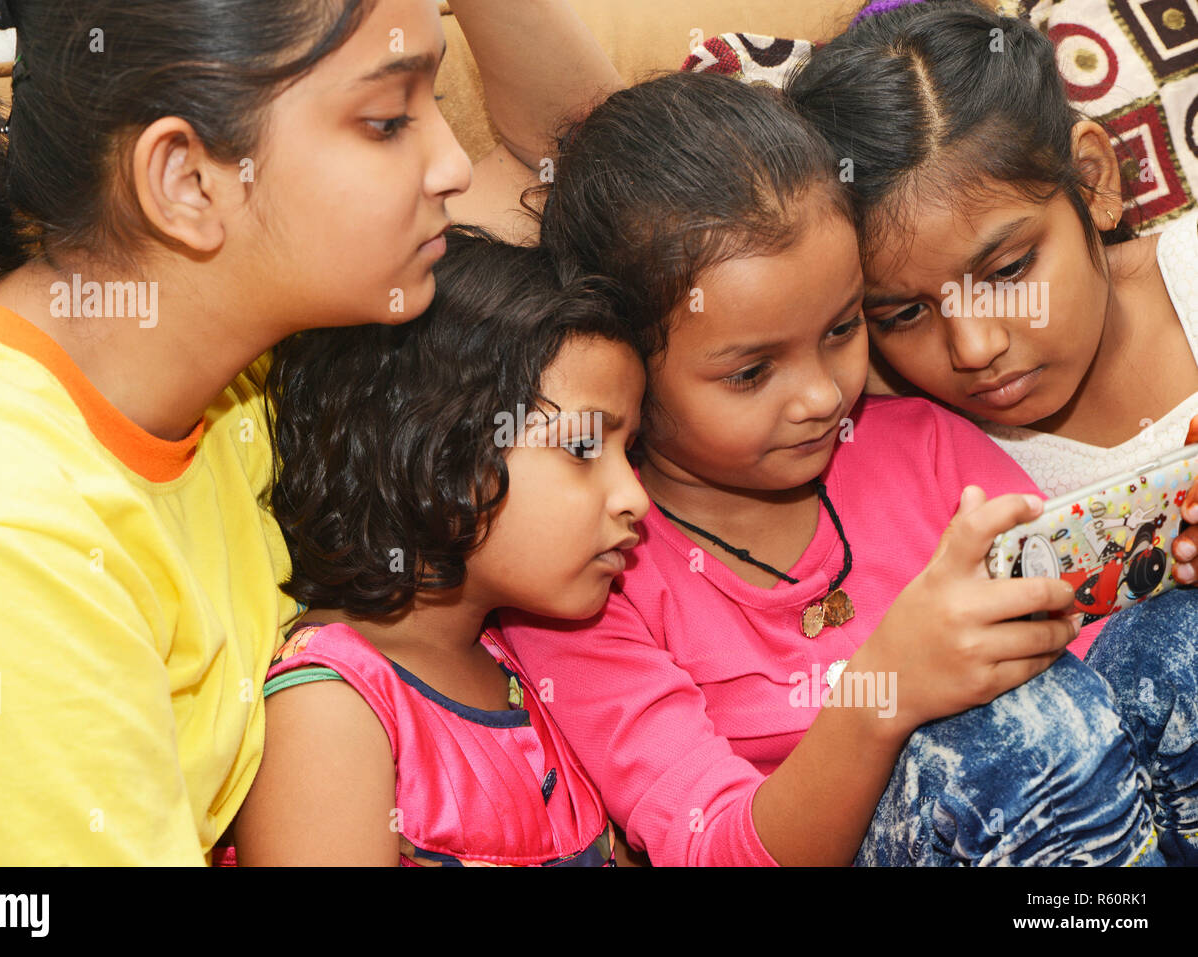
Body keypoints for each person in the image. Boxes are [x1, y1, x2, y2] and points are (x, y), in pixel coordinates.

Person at [0, 0, 619, 864]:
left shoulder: (244, 370)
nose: (454, 164)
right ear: (188, 181)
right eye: (388, 121)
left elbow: (596, 176)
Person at [499, 70, 1193, 866]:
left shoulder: (918, 441)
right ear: (628, 367)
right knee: (1009, 737)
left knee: (1174, 635)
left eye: (840, 328)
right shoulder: (589, 577)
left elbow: (1099, 663)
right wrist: (884, 692)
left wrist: (1150, 564)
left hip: (1088, 832)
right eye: (751, 372)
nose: (823, 394)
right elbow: (711, 848)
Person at [233, 228, 646, 865]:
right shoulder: (330, 706)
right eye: (584, 447)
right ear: (438, 451)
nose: (633, 498)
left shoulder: (519, 667)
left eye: (631, 453)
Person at [789, 1, 1198, 506]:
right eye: (905, 314)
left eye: (1006, 271)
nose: (974, 349)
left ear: (1092, 182)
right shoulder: (891, 432)